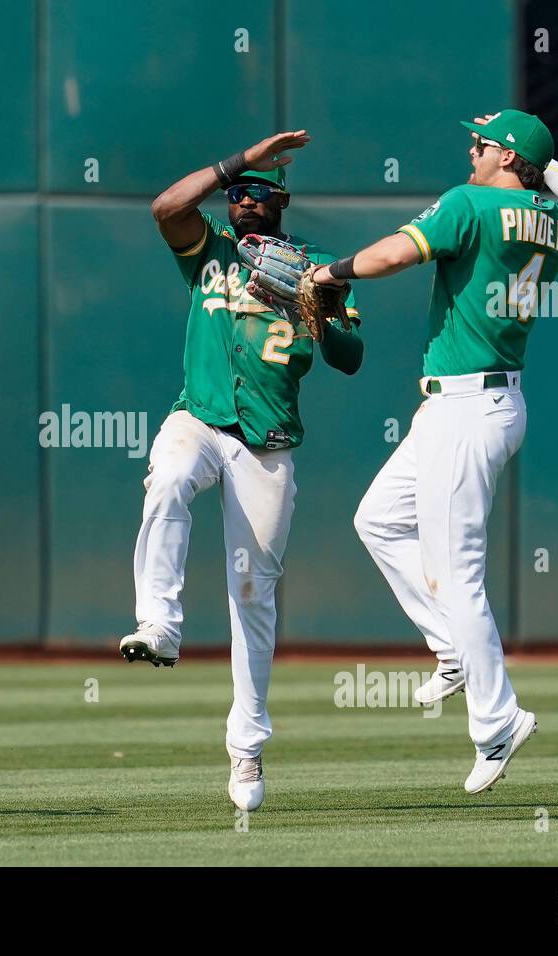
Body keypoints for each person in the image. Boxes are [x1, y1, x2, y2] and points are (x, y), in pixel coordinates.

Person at [308, 110, 558, 793]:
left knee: (459, 575)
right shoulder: (555, 222)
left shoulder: (471, 202)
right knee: (378, 519)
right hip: (481, 404)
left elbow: (395, 253)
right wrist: (540, 165)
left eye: (481, 143)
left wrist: (332, 270)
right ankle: (451, 649)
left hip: (467, 409)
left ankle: (497, 721)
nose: (469, 150)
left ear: (503, 155)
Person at [121, 130, 364, 810]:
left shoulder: (318, 265)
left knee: (253, 592)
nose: (244, 201)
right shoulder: (211, 253)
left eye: (258, 192)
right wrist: (239, 161)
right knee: (168, 479)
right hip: (199, 416)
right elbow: (165, 208)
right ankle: (160, 623)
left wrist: (311, 306)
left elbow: (350, 357)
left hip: (268, 440)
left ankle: (247, 750)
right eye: (236, 194)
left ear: (282, 201)